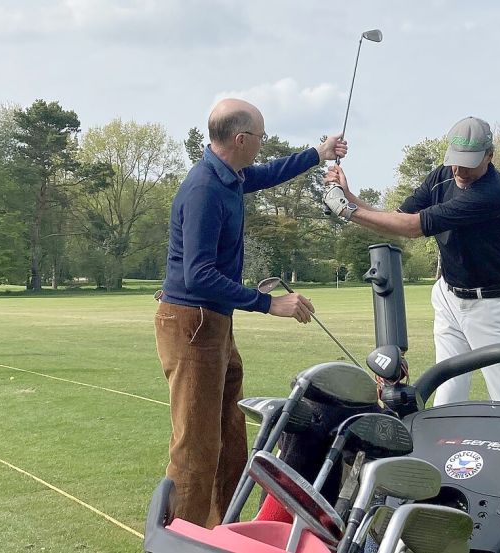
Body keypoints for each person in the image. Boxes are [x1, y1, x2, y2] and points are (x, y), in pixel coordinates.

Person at [322, 116, 500, 543]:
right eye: (456, 161)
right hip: (450, 296)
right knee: (446, 400)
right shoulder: (441, 176)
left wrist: (348, 211)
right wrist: (348, 195)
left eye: (470, 163)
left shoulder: (491, 193)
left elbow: (411, 227)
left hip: (494, 306)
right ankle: (441, 498)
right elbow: (399, 215)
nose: (460, 171)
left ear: (490, 157)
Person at [154, 97, 347, 528]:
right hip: (192, 323)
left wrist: (319, 154)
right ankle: (182, 539)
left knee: (228, 437)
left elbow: (268, 173)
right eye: (259, 137)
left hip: (214, 322)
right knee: (196, 447)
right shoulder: (205, 189)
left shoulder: (230, 177)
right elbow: (198, 274)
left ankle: (225, 530)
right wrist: (269, 304)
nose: (262, 145)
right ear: (240, 139)